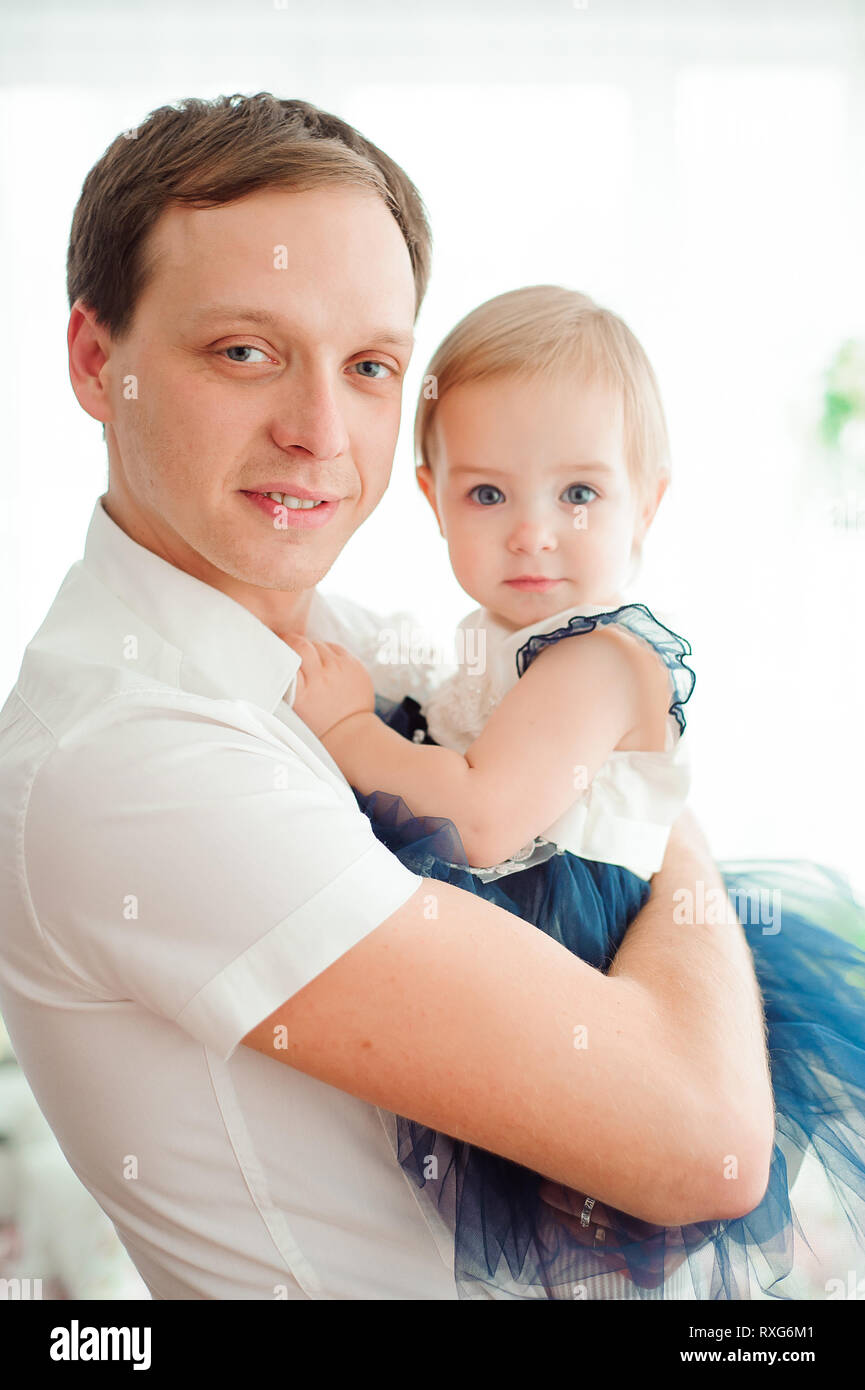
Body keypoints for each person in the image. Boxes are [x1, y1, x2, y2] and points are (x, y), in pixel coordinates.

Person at [0, 93, 773, 1302]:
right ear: (100, 364)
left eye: (367, 366)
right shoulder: (131, 760)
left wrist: (600, 748)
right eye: (245, 351)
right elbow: (706, 1144)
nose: (319, 432)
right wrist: (638, 786)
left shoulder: (327, 643)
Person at [284, 284, 865, 1300]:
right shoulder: (489, 647)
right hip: (527, 959)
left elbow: (479, 814)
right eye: (488, 495)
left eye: (579, 495)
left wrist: (345, 732)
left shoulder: (598, 653)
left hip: (580, 949)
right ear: (431, 497)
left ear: (650, 501)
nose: (533, 535)